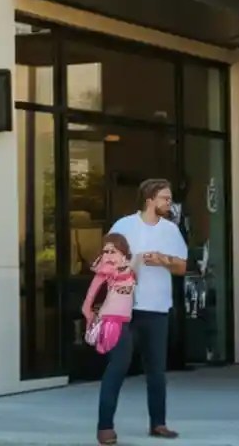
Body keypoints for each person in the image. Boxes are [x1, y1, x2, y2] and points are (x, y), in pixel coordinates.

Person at [96, 178, 187, 445]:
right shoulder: (124, 226)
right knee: (118, 365)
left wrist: (163, 260)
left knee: (157, 371)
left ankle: (158, 424)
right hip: (123, 309)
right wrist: (131, 264)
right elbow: (106, 261)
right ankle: (105, 426)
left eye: (170, 199)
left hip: (157, 308)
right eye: (165, 199)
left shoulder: (170, 230)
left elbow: (182, 266)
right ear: (150, 199)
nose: (169, 204)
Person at [83, 234, 137, 355]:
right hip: (111, 322)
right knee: (120, 362)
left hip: (123, 321)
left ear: (123, 252)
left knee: (119, 362)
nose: (108, 255)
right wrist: (90, 317)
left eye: (113, 251)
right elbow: (89, 297)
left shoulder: (130, 269)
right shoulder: (105, 272)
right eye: (105, 252)